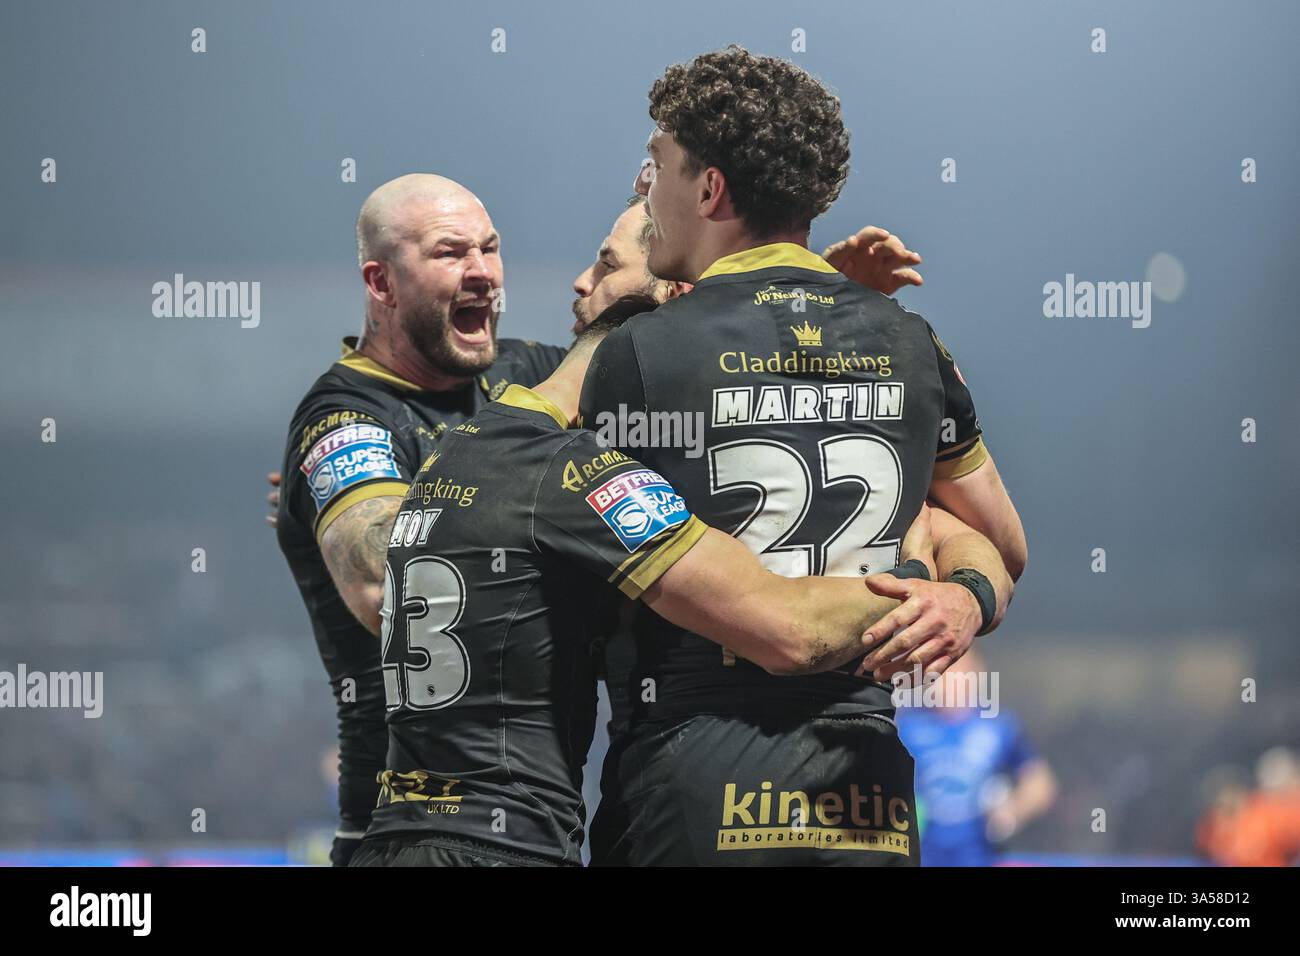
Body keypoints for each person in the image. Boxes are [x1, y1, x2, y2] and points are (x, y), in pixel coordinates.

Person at [350, 301, 1011, 866]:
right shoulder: (578, 471)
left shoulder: (458, 445)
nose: (582, 284)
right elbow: (785, 627)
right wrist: (918, 577)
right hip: (507, 844)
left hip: (399, 831)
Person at [580, 46, 1028, 865]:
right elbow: (1004, 547)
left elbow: (588, 567)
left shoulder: (641, 354)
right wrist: (962, 597)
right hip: (869, 791)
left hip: (696, 773)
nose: (649, 193)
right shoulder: (911, 341)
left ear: (709, 188)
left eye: (658, 168)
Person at [275, 174, 566, 865]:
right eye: (450, 253)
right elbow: (390, 586)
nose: (482, 273)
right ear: (381, 283)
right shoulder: (343, 416)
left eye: (490, 249)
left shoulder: (527, 374)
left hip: (542, 820)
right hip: (409, 830)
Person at [897, 650, 1056, 865]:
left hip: (978, 856)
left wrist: (1013, 811)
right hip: (919, 856)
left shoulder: (999, 726)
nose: (943, 682)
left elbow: (1040, 783)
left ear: (975, 673)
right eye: (937, 673)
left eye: (954, 671)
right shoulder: (909, 726)